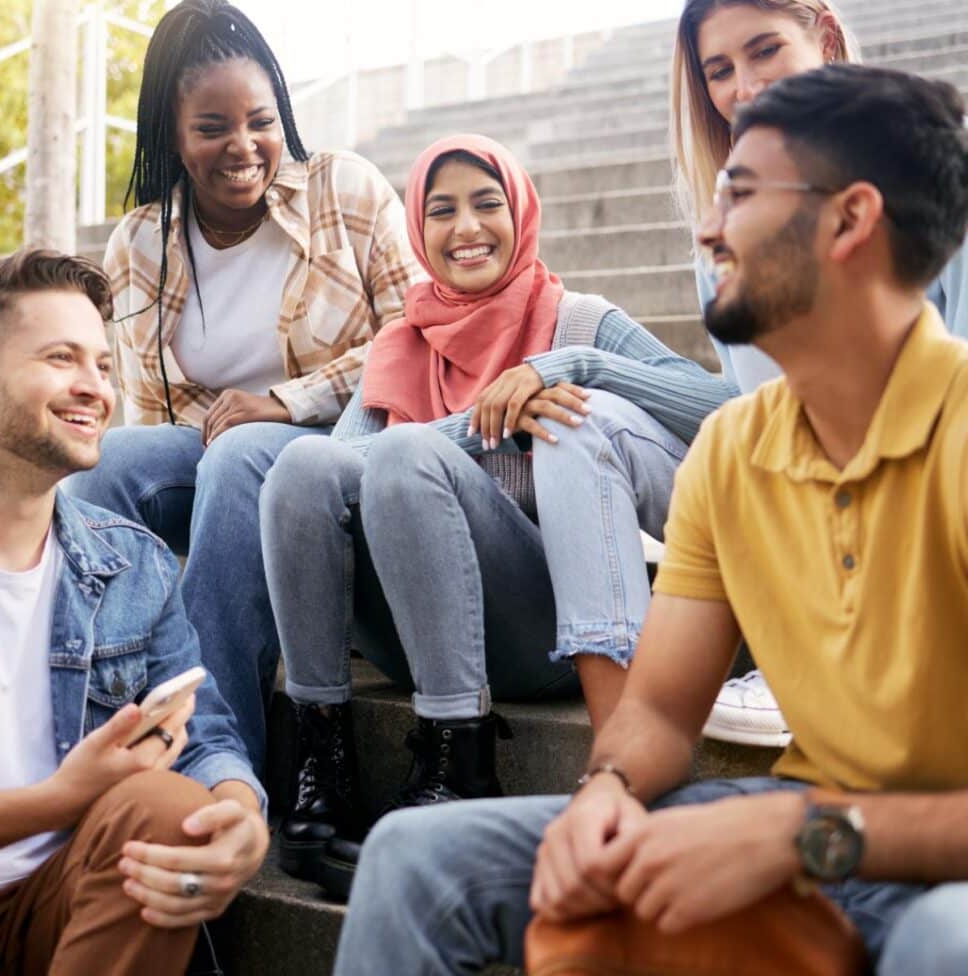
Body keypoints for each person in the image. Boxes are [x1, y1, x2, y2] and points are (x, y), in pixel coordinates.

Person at [332, 65, 968, 976]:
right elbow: (665, 712)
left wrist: (802, 833)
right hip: (799, 826)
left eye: (741, 195)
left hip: (906, 860)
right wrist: (608, 790)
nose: (707, 228)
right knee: (416, 859)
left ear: (850, 219)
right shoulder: (733, 452)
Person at [259, 134, 737, 898]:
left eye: (487, 203)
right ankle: (324, 762)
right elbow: (334, 475)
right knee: (300, 464)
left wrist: (575, 369)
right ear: (419, 229)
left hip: (535, 627)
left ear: (520, 212)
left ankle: (459, 765)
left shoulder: (576, 321)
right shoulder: (398, 343)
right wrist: (488, 425)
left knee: (405, 455)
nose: (466, 227)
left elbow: (725, 406)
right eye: (441, 210)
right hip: (409, 632)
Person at [63, 0, 420, 773]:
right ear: (171, 135)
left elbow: (420, 337)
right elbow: (153, 417)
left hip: (341, 457)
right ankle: (79, 724)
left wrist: (288, 403)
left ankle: (215, 760)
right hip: (218, 470)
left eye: (260, 120)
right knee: (110, 464)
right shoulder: (140, 244)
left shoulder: (345, 193)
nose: (244, 146)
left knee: (239, 455)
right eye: (213, 127)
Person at [0, 249, 270, 974]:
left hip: (63, 908)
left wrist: (243, 817)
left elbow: (206, 732)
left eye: (101, 364)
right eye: (62, 358)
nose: (94, 388)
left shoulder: (134, 564)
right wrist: (60, 798)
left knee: (164, 806)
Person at [671, 0, 968, 746]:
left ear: (826, 35)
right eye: (720, 69)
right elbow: (777, 407)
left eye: (765, 49)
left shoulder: (930, 163)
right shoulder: (729, 217)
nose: (745, 87)